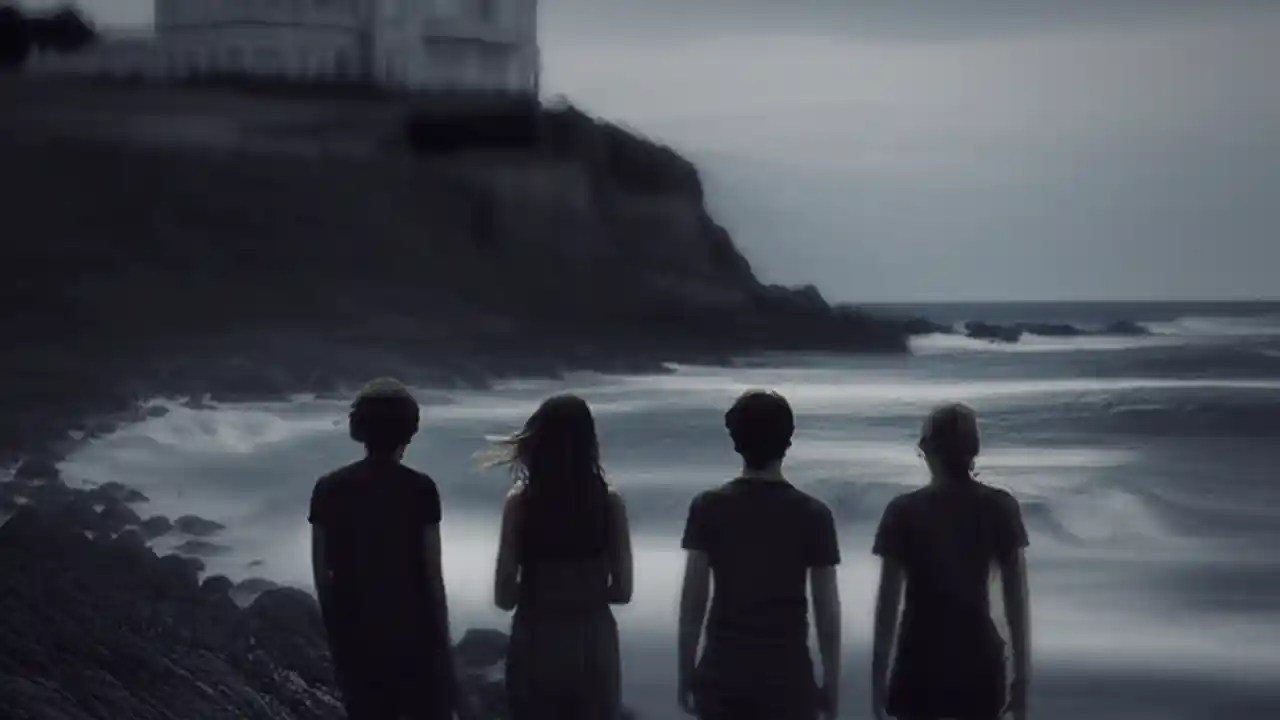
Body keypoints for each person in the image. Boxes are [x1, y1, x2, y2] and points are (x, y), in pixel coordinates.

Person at [677, 390, 843, 720]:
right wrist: (832, 682)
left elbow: (693, 600)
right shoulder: (813, 514)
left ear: (736, 442)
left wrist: (685, 671)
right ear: (788, 442)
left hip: (723, 674)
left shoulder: (709, 507)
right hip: (788, 678)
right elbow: (827, 609)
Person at [870, 403, 1032, 720]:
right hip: (979, 660)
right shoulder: (999, 507)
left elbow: (887, 605)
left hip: (918, 660)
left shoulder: (903, 511)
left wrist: (878, 678)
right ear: (973, 450)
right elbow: (1016, 600)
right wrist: (1022, 675)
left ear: (928, 449)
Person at [309, 378, 457, 720]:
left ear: (358, 428)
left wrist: (336, 635)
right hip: (414, 638)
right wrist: (446, 653)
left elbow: (321, 575)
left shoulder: (328, 488)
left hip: (355, 635)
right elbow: (433, 580)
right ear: (410, 430)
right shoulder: (421, 489)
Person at [490, 394, 634, 720]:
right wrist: (584, 591)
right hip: (592, 644)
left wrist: (541, 592)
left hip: (535, 640)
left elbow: (503, 596)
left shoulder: (521, 504)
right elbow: (623, 591)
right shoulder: (610, 503)